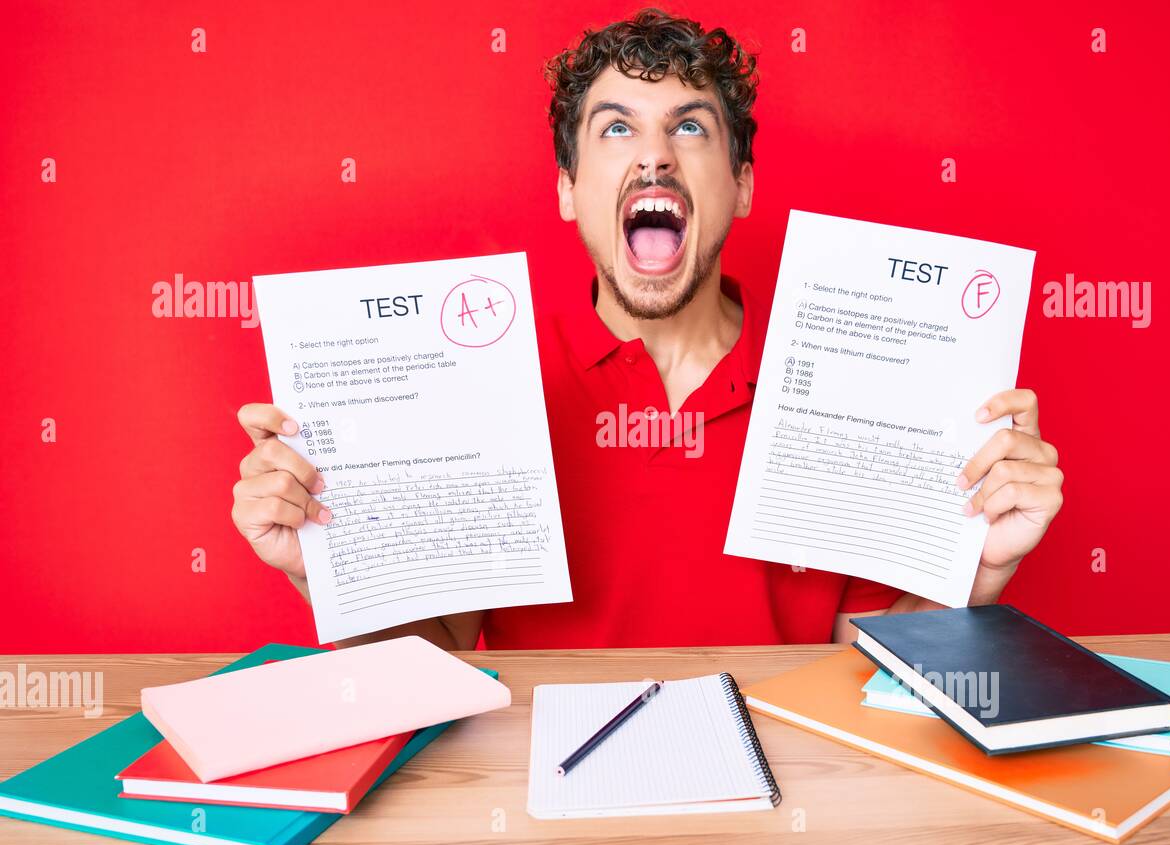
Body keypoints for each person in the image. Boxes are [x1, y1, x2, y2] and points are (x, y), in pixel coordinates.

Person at [230, 8, 1063, 651]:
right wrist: (327, 575)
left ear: (740, 186)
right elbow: (438, 655)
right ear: (568, 189)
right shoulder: (487, 383)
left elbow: (867, 664)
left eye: (689, 126)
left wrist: (979, 570)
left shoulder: (845, 380)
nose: (654, 157)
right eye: (618, 127)